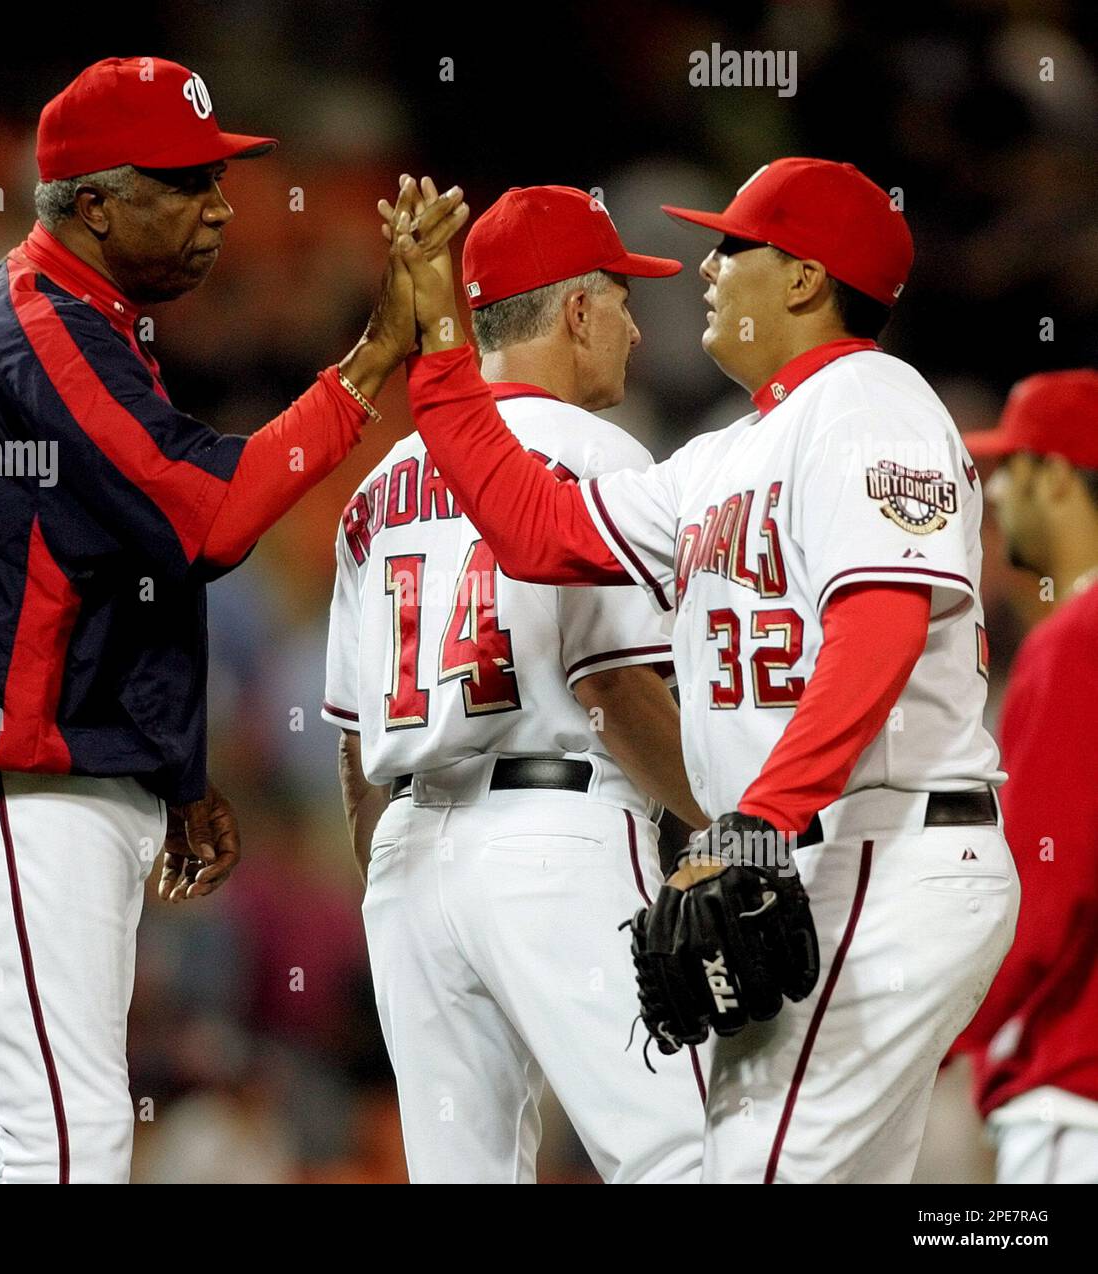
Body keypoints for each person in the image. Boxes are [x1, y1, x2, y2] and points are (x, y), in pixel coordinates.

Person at [0, 56, 466, 1184]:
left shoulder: (94, 323)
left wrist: (171, 770)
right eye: (183, 182)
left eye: (217, 178)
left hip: (49, 770)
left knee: (71, 1138)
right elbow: (207, 517)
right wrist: (377, 352)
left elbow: (114, 567)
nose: (220, 205)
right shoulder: (31, 328)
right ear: (90, 204)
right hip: (7, 776)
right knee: (59, 1142)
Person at [391, 158, 1019, 1183]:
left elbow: (877, 629)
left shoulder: (873, 402)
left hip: (881, 843)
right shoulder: (721, 455)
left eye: (734, 246)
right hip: (822, 847)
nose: (706, 267)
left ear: (807, 280)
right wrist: (445, 353)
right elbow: (537, 529)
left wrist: (759, 819)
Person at [324, 184, 708, 1184]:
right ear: (576, 312)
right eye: (620, 297)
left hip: (407, 857)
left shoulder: (376, 484)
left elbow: (354, 741)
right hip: (556, 829)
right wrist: (723, 824)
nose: (633, 322)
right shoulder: (598, 456)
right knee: (681, 1149)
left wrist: (405, 868)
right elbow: (615, 692)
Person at [953, 369, 1098, 1183]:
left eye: (1010, 469)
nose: (996, 493)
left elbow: (1046, 894)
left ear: (1056, 474)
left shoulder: (1076, 638)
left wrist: (936, 1033)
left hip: (1075, 1092)